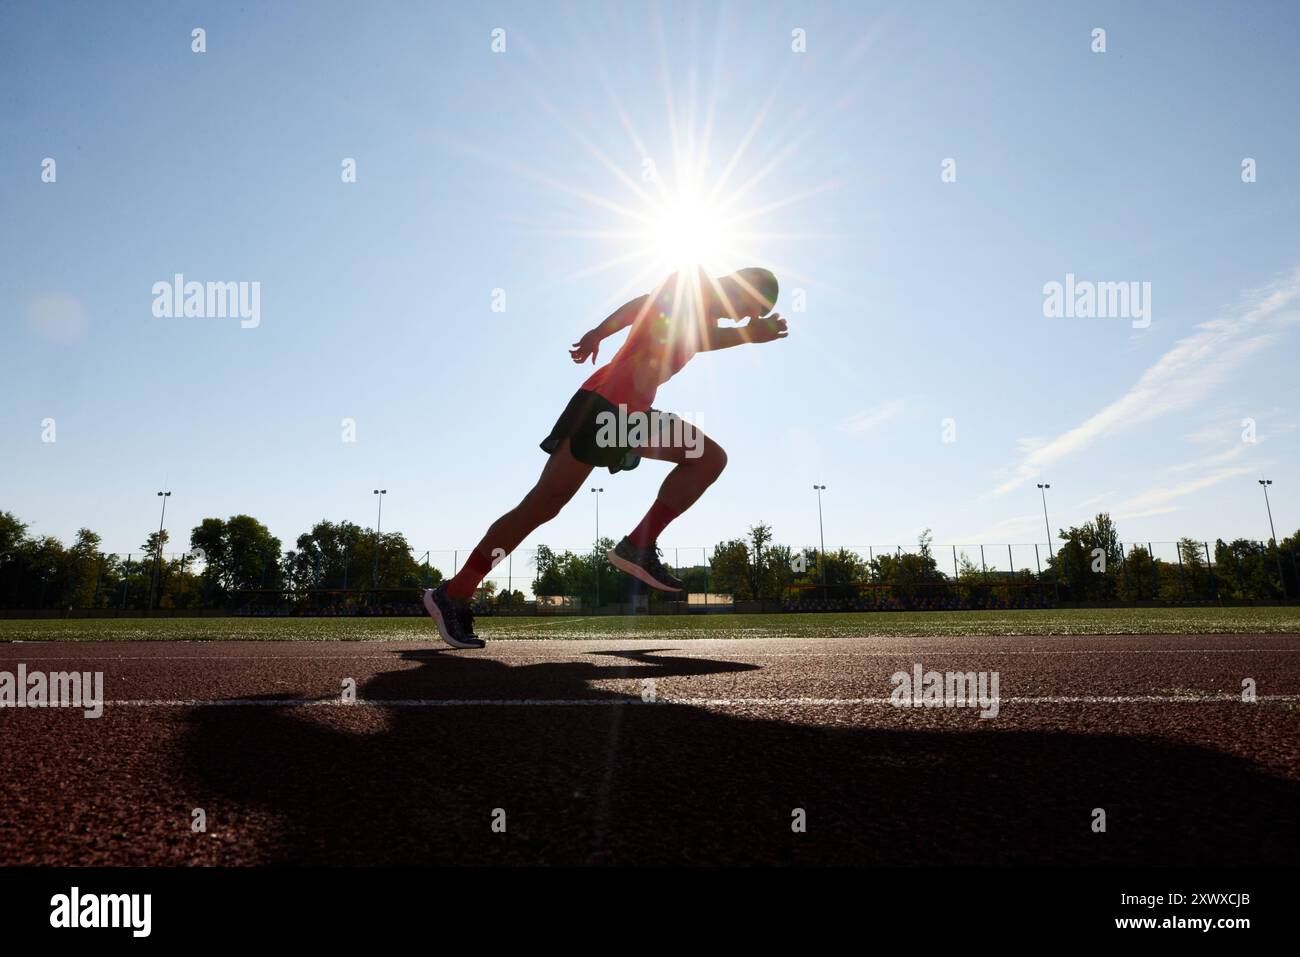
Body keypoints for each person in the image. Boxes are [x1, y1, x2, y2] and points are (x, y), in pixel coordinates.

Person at [424, 265, 786, 648]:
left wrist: (745, 332)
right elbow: (644, 307)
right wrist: (600, 331)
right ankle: (455, 592)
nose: (743, 317)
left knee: (708, 458)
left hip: (626, 416)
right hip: (605, 408)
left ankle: (638, 545)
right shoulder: (690, 285)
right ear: (740, 288)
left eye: (750, 316)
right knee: (542, 505)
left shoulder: (707, 315)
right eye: (747, 308)